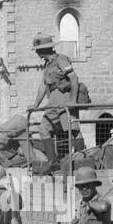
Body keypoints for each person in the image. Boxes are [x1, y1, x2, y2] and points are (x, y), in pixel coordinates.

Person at [31, 33, 83, 163]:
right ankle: (52, 161)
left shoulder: (61, 60)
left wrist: (72, 100)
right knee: (43, 128)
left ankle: (82, 157)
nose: (36, 52)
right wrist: (36, 104)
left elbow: (73, 78)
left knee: (72, 129)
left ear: (44, 49)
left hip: (64, 97)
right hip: (53, 100)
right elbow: (43, 85)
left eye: (38, 49)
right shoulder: (47, 64)